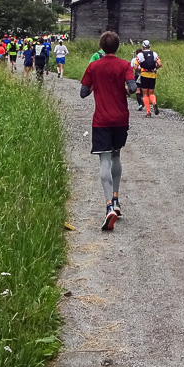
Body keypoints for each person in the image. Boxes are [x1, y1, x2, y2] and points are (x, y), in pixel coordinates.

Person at [80, 31, 137, 231]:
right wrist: (125, 89)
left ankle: (108, 207)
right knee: (116, 156)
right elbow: (132, 88)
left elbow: (83, 92)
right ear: (117, 46)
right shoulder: (125, 65)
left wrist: (95, 85)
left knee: (104, 160)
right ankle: (116, 200)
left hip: (102, 120)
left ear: (101, 47)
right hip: (120, 118)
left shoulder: (94, 66)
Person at [132, 40, 162, 116]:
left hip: (144, 75)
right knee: (151, 93)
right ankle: (154, 102)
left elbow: (135, 67)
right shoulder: (154, 54)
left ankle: (148, 111)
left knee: (145, 94)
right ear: (149, 46)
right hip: (153, 75)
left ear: (143, 46)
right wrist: (155, 69)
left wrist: (141, 70)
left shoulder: (140, 55)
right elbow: (159, 64)